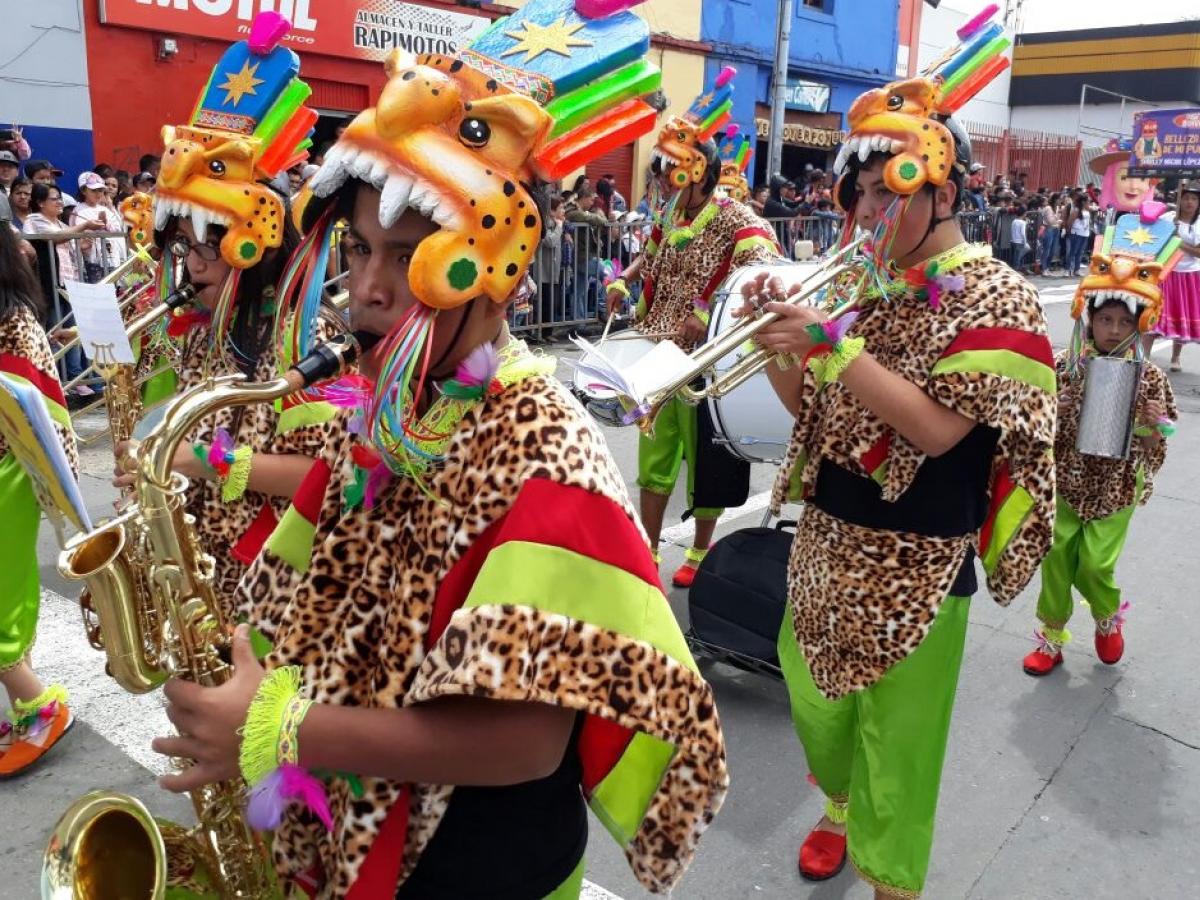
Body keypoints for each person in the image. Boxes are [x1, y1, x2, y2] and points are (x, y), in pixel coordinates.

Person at [150, 12, 728, 897]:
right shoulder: (389, 408)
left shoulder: (548, 449)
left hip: (480, 865)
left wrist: (280, 732)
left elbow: (526, 745)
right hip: (355, 820)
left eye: (409, 259)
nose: (365, 291)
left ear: (493, 271)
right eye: (358, 251)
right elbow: (306, 585)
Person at [743, 62, 1055, 897]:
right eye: (861, 194)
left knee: (903, 752)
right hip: (825, 540)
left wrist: (831, 342)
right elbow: (809, 407)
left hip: (920, 557)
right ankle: (838, 805)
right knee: (816, 710)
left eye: (889, 193)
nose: (868, 212)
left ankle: (890, 879)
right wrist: (777, 345)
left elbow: (936, 429)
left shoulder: (1000, 295)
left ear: (942, 193)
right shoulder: (860, 282)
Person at [110, 19, 340, 606]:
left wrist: (203, 462)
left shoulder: (303, 336)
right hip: (205, 560)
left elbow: (321, 476)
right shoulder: (203, 327)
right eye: (182, 246)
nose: (192, 264)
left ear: (256, 247)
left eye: (208, 246)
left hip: (272, 578)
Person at [605, 74, 782, 588]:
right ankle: (647, 549)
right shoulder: (669, 213)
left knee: (706, 459)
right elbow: (648, 255)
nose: (661, 180)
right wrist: (623, 280)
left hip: (703, 359)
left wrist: (709, 312)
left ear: (698, 170)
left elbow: (762, 265)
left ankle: (701, 549)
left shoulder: (734, 217)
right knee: (653, 455)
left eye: (670, 170)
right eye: (661, 170)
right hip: (656, 350)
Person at [1024, 219, 1178, 674]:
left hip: (1116, 487)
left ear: (1140, 323)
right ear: (1089, 319)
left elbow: (1157, 446)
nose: (1113, 329)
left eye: (1124, 321)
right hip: (1064, 483)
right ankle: (1051, 639)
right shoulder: (1062, 367)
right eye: (1105, 319)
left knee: (1093, 566)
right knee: (1056, 560)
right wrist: (1051, 408)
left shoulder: (1150, 378)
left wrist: (1150, 425)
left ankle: (1107, 618)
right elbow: (1030, 430)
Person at [0, 223, 78, 777]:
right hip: (12, 467)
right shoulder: (14, 316)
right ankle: (24, 707)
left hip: (9, 469)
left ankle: (41, 709)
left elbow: (29, 408)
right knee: (9, 594)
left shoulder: (12, 322)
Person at [1151, 180, 1200, 371]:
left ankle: (1176, 357)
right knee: (1153, 313)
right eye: (1186, 198)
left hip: (1188, 275)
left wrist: (1179, 243)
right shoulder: (1168, 218)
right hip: (1165, 272)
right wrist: (1167, 234)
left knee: (1180, 315)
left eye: (1194, 199)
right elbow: (1154, 238)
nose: (1189, 202)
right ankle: (1143, 357)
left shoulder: (1198, 224)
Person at [70, 171, 126, 281]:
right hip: (92, 260)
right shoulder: (78, 210)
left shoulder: (105, 209)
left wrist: (106, 224)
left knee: (115, 287)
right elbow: (79, 231)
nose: (98, 193)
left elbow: (118, 228)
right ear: (83, 191)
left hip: (112, 257)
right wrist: (96, 227)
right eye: (93, 190)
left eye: (100, 190)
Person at [533, 195, 565, 341]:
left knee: (553, 303)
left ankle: (548, 331)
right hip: (543, 271)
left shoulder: (559, 224)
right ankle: (542, 333)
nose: (563, 211)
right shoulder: (545, 223)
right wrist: (559, 227)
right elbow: (550, 241)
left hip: (554, 270)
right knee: (545, 303)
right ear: (552, 211)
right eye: (561, 208)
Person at [1064, 194, 1092, 276]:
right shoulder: (1076, 210)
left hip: (1085, 234)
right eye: (1088, 201)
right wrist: (1069, 232)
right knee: (1073, 252)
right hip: (1076, 233)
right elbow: (1069, 222)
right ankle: (1067, 269)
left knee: (1080, 252)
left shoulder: (1087, 210)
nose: (1089, 202)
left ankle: (1077, 269)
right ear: (1083, 202)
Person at [1039, 192, 1062, 275]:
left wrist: (1057, 220)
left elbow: (1056, 219)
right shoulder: (1048, 208)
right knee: (1047, 249)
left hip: (1056, 229)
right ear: (1055, 199)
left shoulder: (1057, 208)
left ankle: (1047, 268)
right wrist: (1058, 220)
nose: (1060, 201)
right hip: (1048, 229)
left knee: (1053, 250)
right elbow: (1050, 221)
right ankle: (1044, 268)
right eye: (1059, 199)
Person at [1010, 202, 1029, 272]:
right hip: (1020, 241)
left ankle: (1017, 269)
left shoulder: (1014, 221)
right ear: (1024, 214)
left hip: (1013, 241)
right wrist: (1025, 242)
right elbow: (1023, 233)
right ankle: (1016, 270)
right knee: (1018, 257)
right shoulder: (1023, 222)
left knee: (1015, 257)